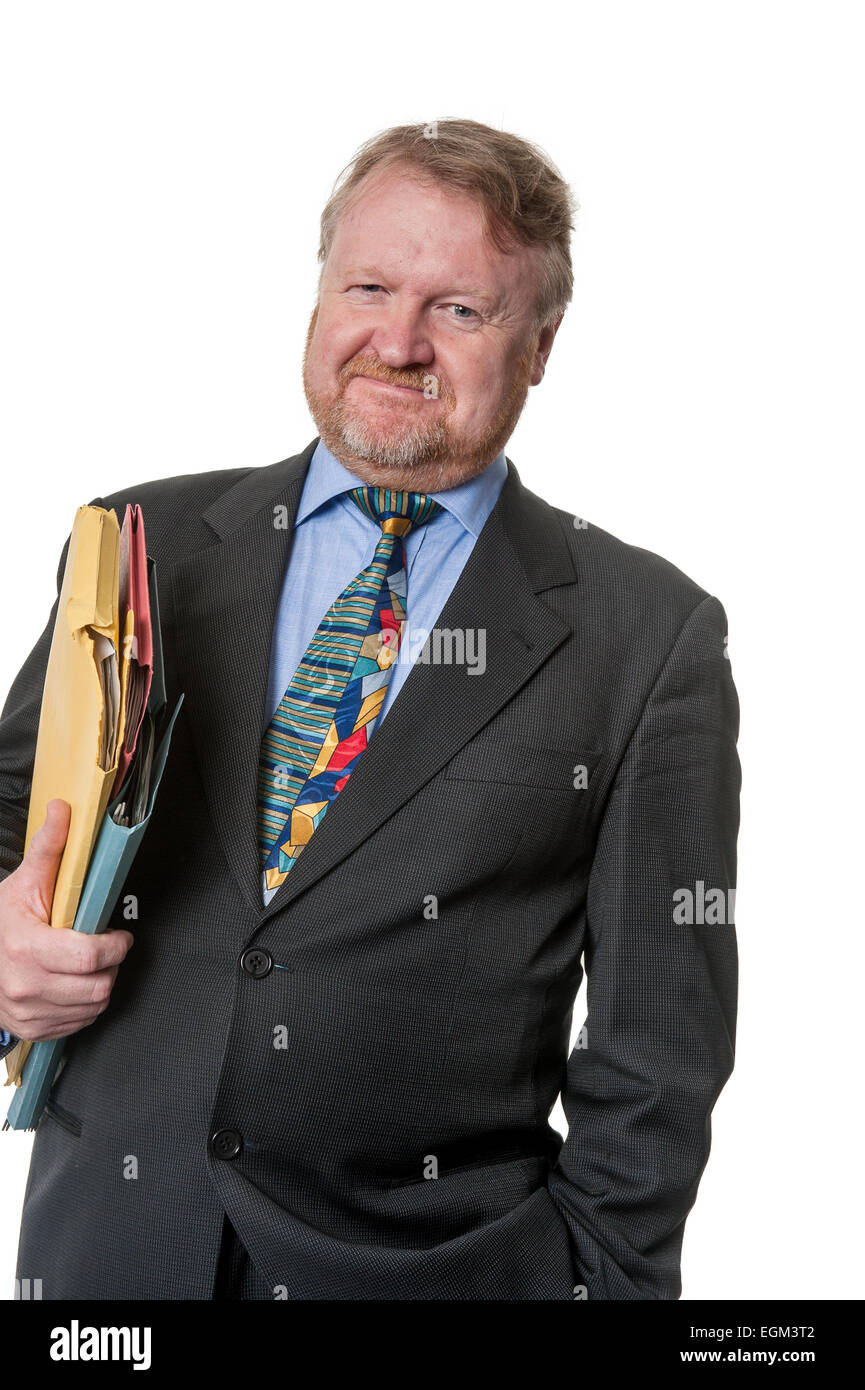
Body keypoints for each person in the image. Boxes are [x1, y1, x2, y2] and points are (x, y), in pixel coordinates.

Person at [0, 118, 739, 1300]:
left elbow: (663, 1042)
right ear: (318, 297)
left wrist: (594, 1282)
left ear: (539, 344)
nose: (396, 341)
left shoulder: (645, 636)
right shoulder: (142, 547)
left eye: (459, 309)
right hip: (111, 1264)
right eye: (369, 286)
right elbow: (13, 828)